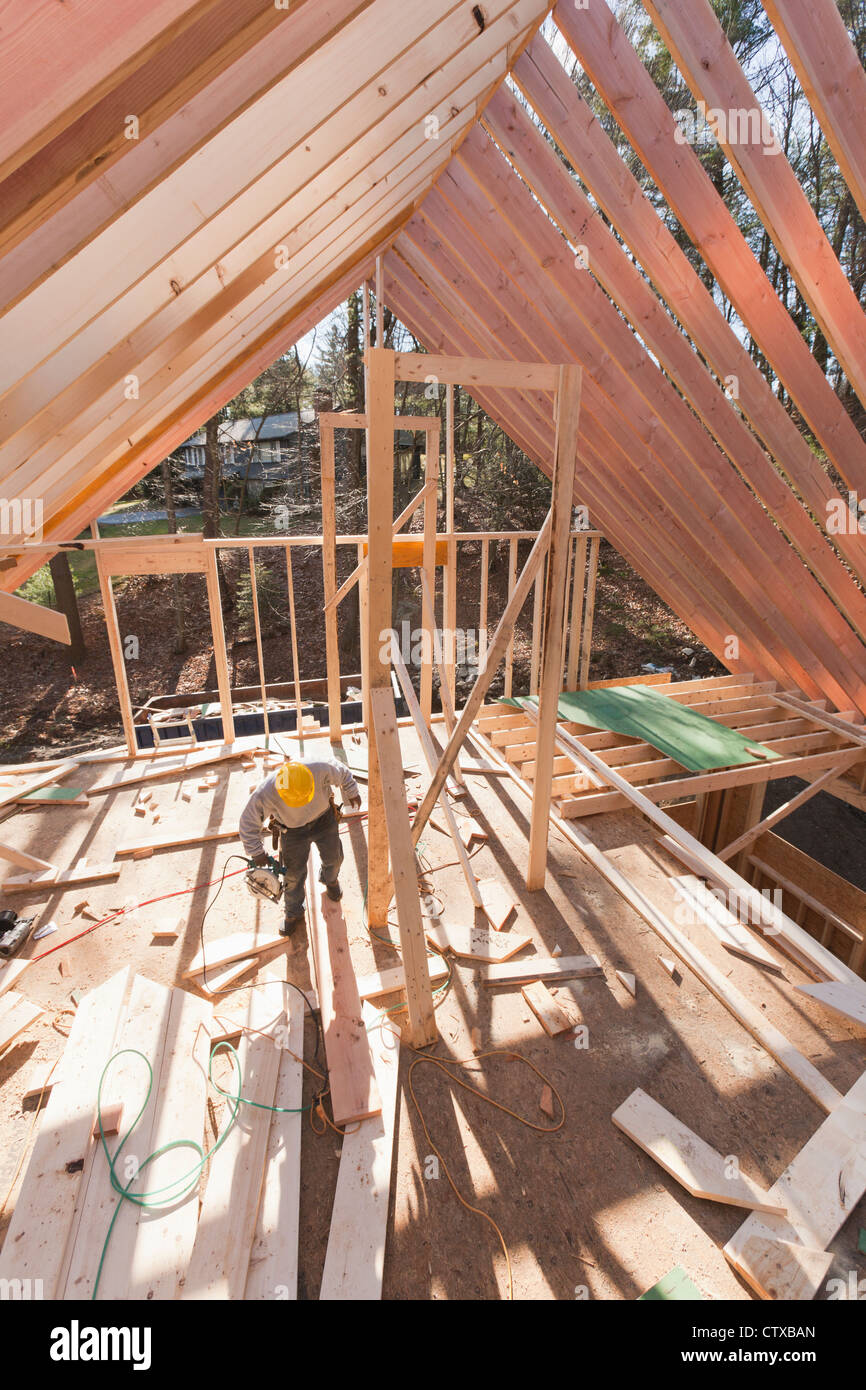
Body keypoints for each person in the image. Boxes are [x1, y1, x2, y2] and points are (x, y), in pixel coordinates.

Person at [239, 755, 361, 936]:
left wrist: (352, 791)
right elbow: (247, 823)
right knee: (293, 876)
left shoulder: (320, 766)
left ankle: (330, 879)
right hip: (292, 831)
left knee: (334, 858)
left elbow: (343, 773)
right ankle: (294, 912)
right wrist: (257, 852)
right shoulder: (266, 792)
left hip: (324, 820)